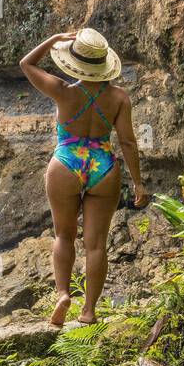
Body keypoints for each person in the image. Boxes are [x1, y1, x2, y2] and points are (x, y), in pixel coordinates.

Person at [19, 27, 149, 327]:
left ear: (74, 62)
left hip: (66, 163)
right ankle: (89, 311)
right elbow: (128, 142)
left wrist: (52, 39)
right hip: (103, 167)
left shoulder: (63, 90)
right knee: (96, 244)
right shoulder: (119, 98)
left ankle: (63, 294)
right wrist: (138, 182)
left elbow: (27, 64)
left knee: (64, 235)